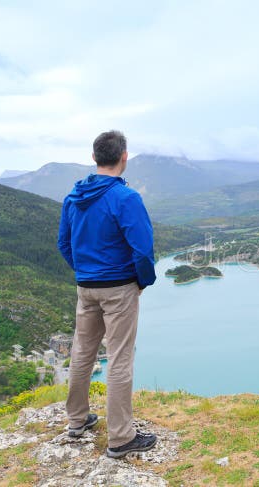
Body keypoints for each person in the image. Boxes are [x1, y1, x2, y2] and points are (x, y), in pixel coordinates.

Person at [57, 130, 158, 458]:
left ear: (95, 157)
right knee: (119, 358)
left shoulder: (74, 197)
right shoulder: (125, 198)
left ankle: (76, 420)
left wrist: (85, 271)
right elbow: (142, 249)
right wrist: (142, 282)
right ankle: (120, 438)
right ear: (124, 156)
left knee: (82, 352)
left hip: (86, 288)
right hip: (119, 289)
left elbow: (64, 244)